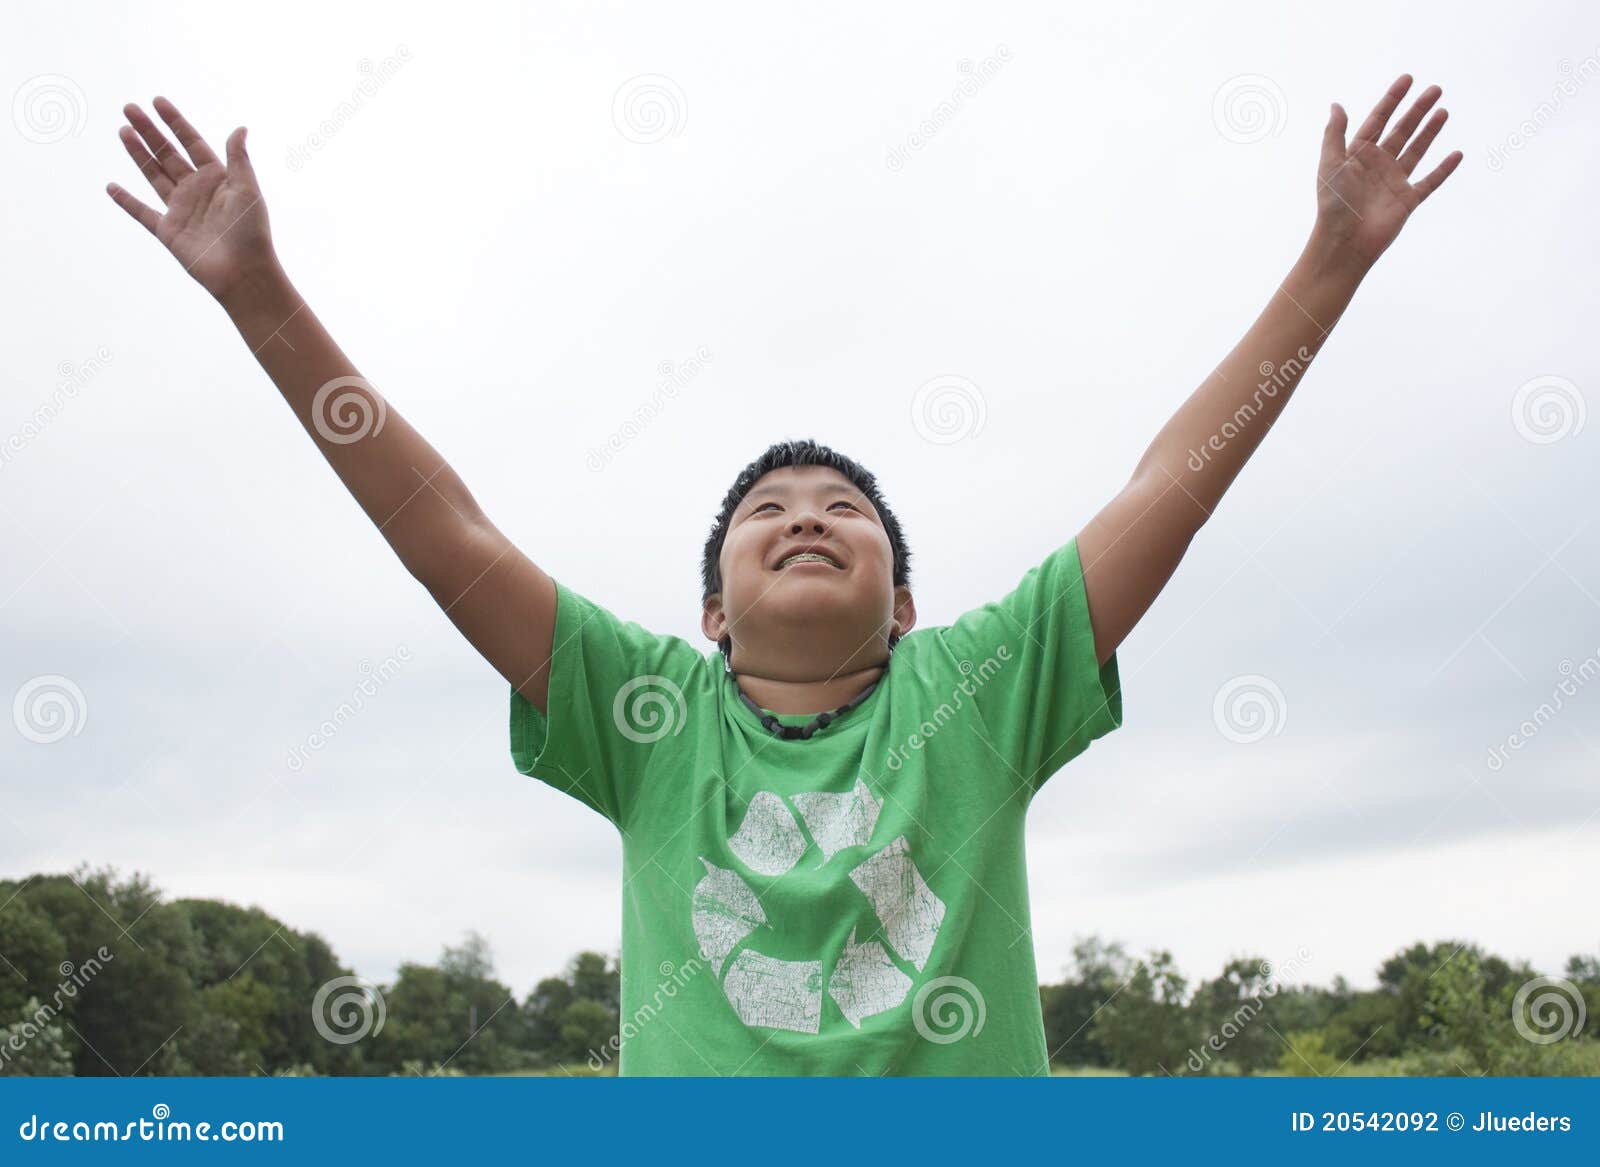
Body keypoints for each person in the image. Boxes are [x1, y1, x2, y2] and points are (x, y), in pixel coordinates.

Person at [106, 74, 1461, 1075]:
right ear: (709, 613)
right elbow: (443, 533)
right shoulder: (646, 721)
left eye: (845, 510)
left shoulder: (980, 691)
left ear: (909, 604)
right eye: (767, 510)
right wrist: (260, 297)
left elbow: (1173, 482)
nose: (806, 518)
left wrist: (1331, 263)